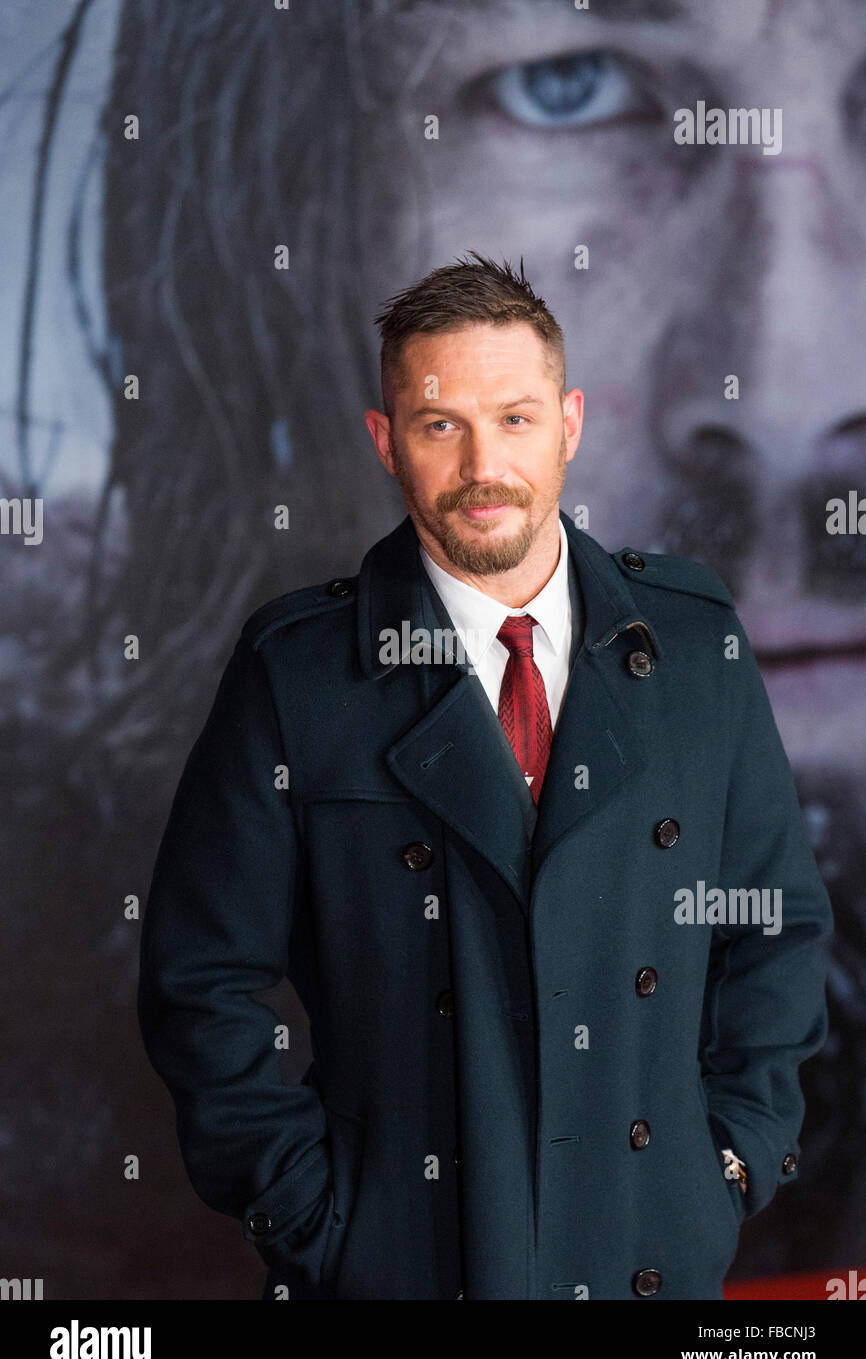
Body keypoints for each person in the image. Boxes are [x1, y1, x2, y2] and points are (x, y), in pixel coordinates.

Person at [137, 253, 834, 1300]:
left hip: (649, 1252)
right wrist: (311, 1209)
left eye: (512, 418)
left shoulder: (693, 643)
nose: (480, 467)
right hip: (410, 1259)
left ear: (568, 424)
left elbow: (772, 925)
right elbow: (199, 977)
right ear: (385, 443)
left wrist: (725, 1160)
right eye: (438, 424)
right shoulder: (298, 670)